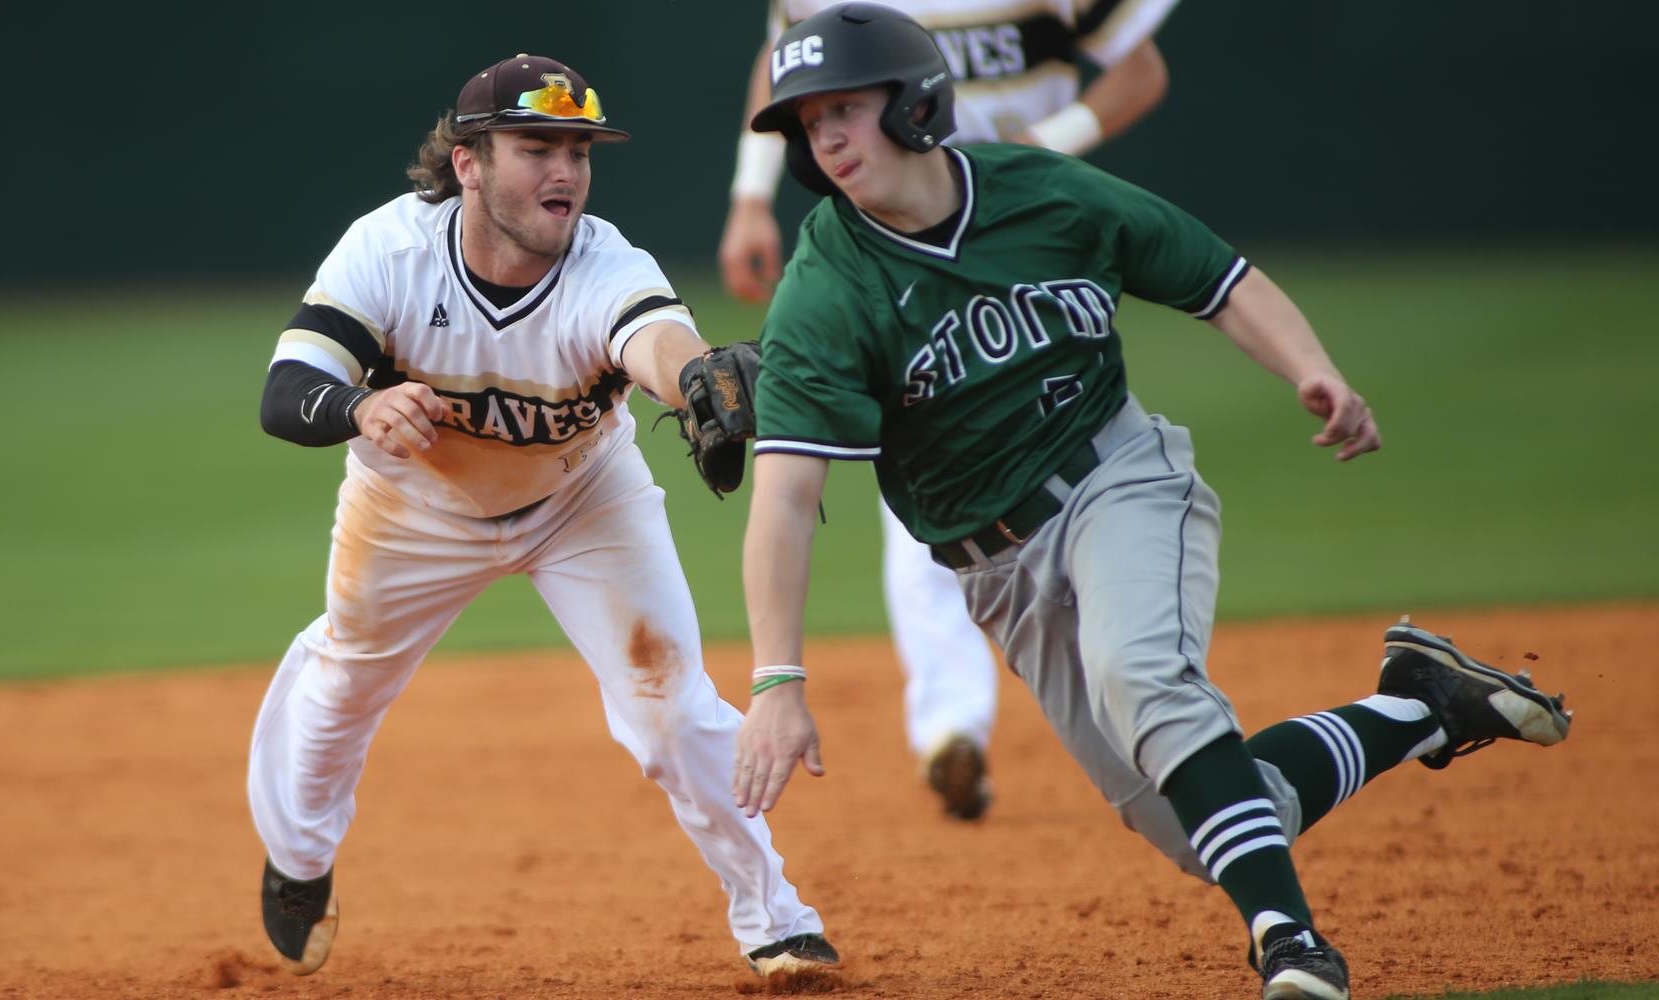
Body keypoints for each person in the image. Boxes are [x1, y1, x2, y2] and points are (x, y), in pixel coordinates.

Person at [725, 6, 1573, 1000]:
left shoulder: (1041, 192)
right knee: (1196, 821)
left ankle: (1289, 943)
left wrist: (1314, 369)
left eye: (844, 109)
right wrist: (776, 679)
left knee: (1142, 679)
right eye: (805, 122)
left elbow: (1215, 275)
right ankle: (1418, 702)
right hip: (995, 569)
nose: (823, 137)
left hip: (1115, 478)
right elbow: (784, 498)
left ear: (913, 104)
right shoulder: (824, 286)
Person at [245, 53, 837, 981]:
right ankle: (301, 861)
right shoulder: (391, 251)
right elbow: (288, 391)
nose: (565, 171)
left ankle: (777, 920)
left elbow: (652, 336)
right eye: (536, 147)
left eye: (578, 150)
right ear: (469, 163)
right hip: (413, 510)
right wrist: (359, 408)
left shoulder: (604, 262)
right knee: (339, 694)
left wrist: (690, 383)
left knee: (671, 711)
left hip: (582, 499)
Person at [718, 0, 1180, 821]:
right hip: (896, 240)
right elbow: (779, 66)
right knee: (923, 472)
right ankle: (950, 729)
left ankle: (1138, 689)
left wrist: (1045, 149)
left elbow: (1140, 72)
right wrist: (752, 193)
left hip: (1018, 232)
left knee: (1073, 465)